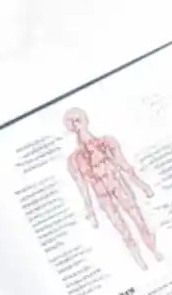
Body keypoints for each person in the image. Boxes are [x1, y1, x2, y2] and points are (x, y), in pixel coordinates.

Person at [64, 107, 161, 270]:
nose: (75, 125)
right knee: (121, 228)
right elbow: (83, 189)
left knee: (138, 219)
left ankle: (154, 250)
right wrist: (90, 211)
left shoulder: (107, 142)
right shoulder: (74, 160)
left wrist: (142, 186)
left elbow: (124, 165)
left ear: (85, 120)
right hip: (102, 195)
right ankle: (138, 259)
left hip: (118, 185)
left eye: (77, 120)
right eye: (70, 122)